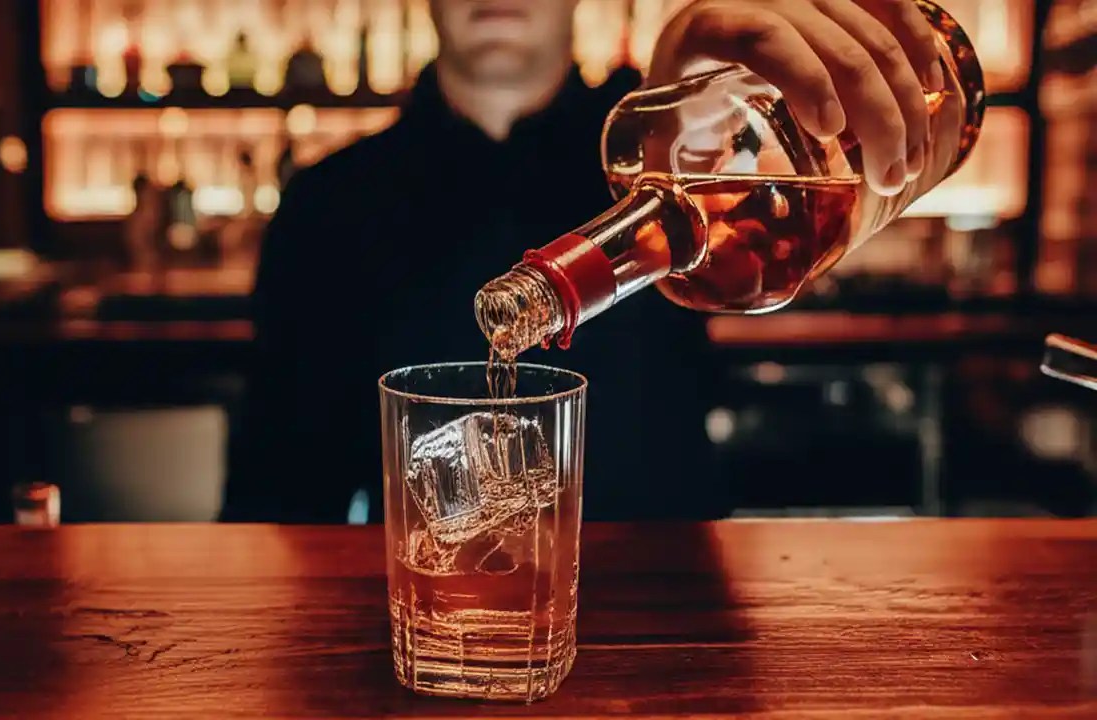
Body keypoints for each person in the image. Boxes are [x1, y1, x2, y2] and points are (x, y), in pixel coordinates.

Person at [221, 0, 942, 523]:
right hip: (431, 633)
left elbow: (777, 225)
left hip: (676, 624)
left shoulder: (663, 156)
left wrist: (693, 107)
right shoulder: (326, 204)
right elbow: (273, 494)